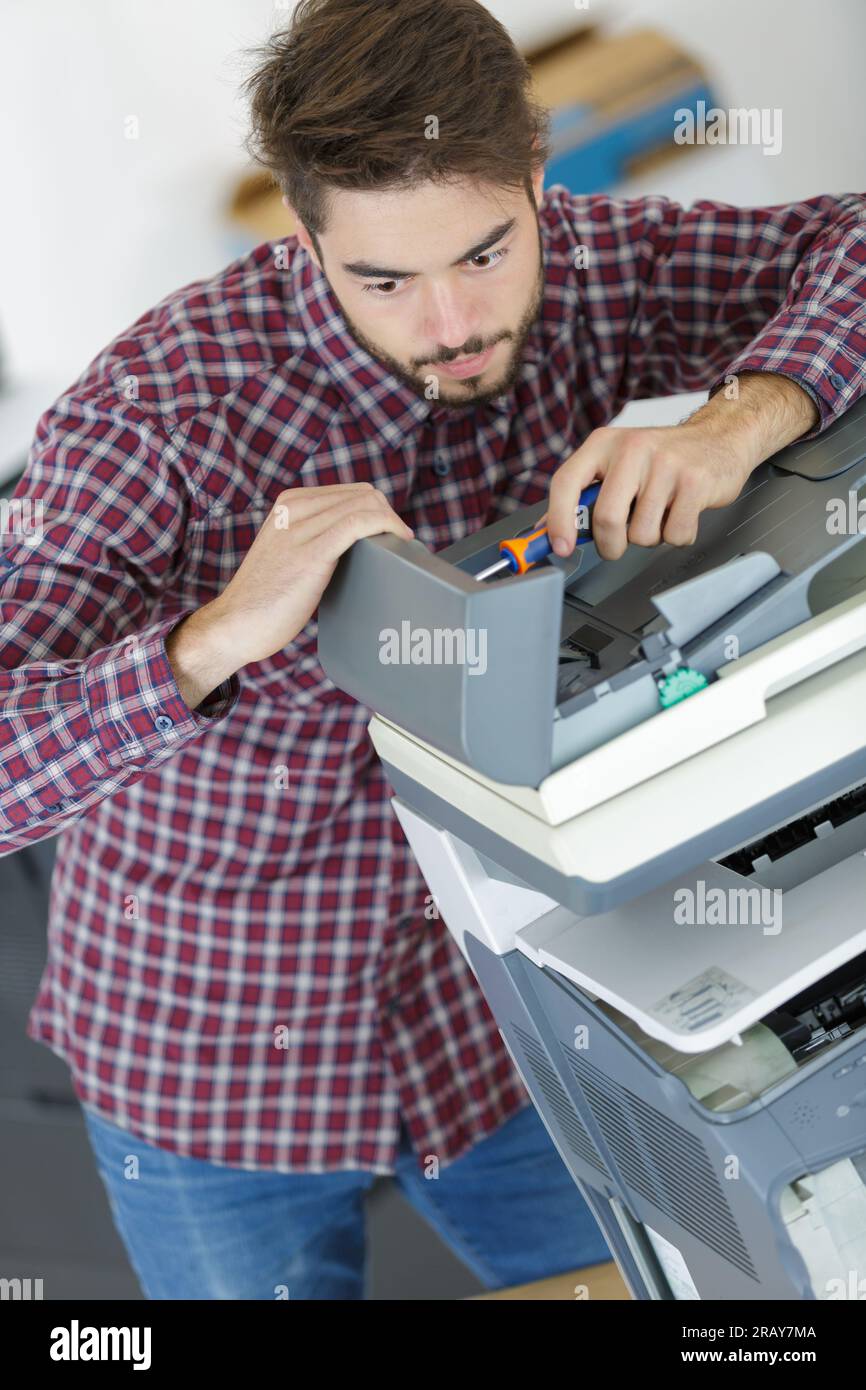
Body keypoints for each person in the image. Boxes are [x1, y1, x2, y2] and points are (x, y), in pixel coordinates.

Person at [2, 0, 864, 1299]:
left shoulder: (594, 270)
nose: (452, 320)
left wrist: (740, 419)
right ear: (305, 233)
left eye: (483, 251)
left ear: (537, 180)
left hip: (489, 1016)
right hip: (205, 1047)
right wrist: (216, 634)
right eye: (383, 279)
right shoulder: (154, 414)